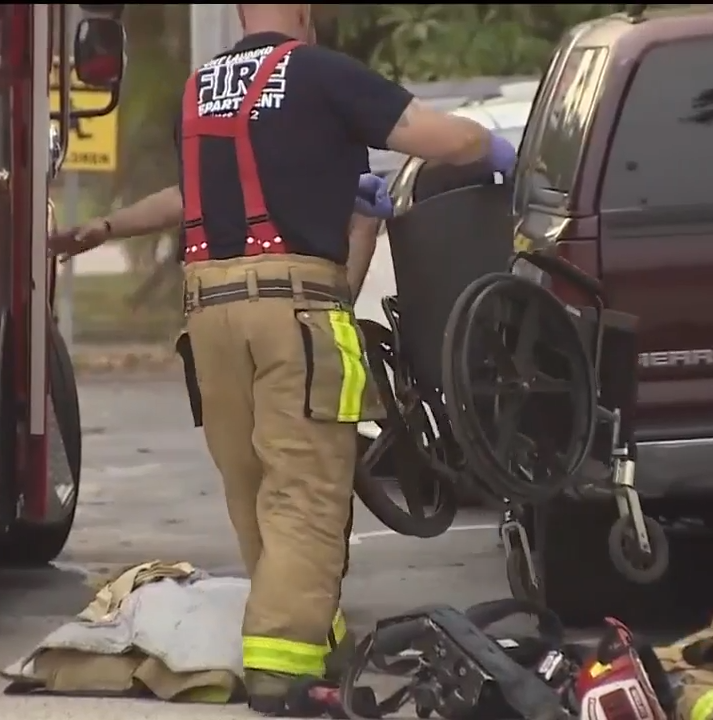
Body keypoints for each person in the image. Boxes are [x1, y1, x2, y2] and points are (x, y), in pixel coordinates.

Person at [50, 3, 517, 712]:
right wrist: (489, 146)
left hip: (209, 314)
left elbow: (190, 196)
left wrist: (107, 226)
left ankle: (307, 626)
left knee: (253, 484)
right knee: (304, 488)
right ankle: (282, 668)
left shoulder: (201, 89)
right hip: (290, 309)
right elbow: (438, 137)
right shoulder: (322, 73)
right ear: (302, 10)